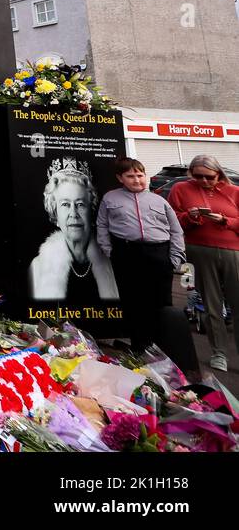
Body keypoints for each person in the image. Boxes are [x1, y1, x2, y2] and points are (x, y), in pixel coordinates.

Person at [96, 157, 198, 372]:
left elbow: (175, 230)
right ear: (120, 178)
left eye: (140, 175)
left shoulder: (159, 200)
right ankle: (139, 348)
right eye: (131, 176)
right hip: (127, 254)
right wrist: (110, 250)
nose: (137, 180)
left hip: (158, 253)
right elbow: (102, 226)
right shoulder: (110, 198)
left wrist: (175, 257)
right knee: (133, 303)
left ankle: (163, 350)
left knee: (161, 303)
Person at [168, 154, 239, 371]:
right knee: (211, 304)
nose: (204, 181)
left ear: (218, 173)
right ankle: (219, 354)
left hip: (233, 251)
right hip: (198, 250)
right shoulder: (180, 189)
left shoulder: (234, 191)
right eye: (198, 176)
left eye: (209, 176)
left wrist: (225, 220)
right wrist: (190, 217)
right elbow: (172, 220)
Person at [29, 157, 118, 302]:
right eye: (65, 204)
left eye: (80, 204)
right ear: (55, 213)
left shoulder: (109, 260)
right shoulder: (38, 266)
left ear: (91, 209)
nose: (73, 214)